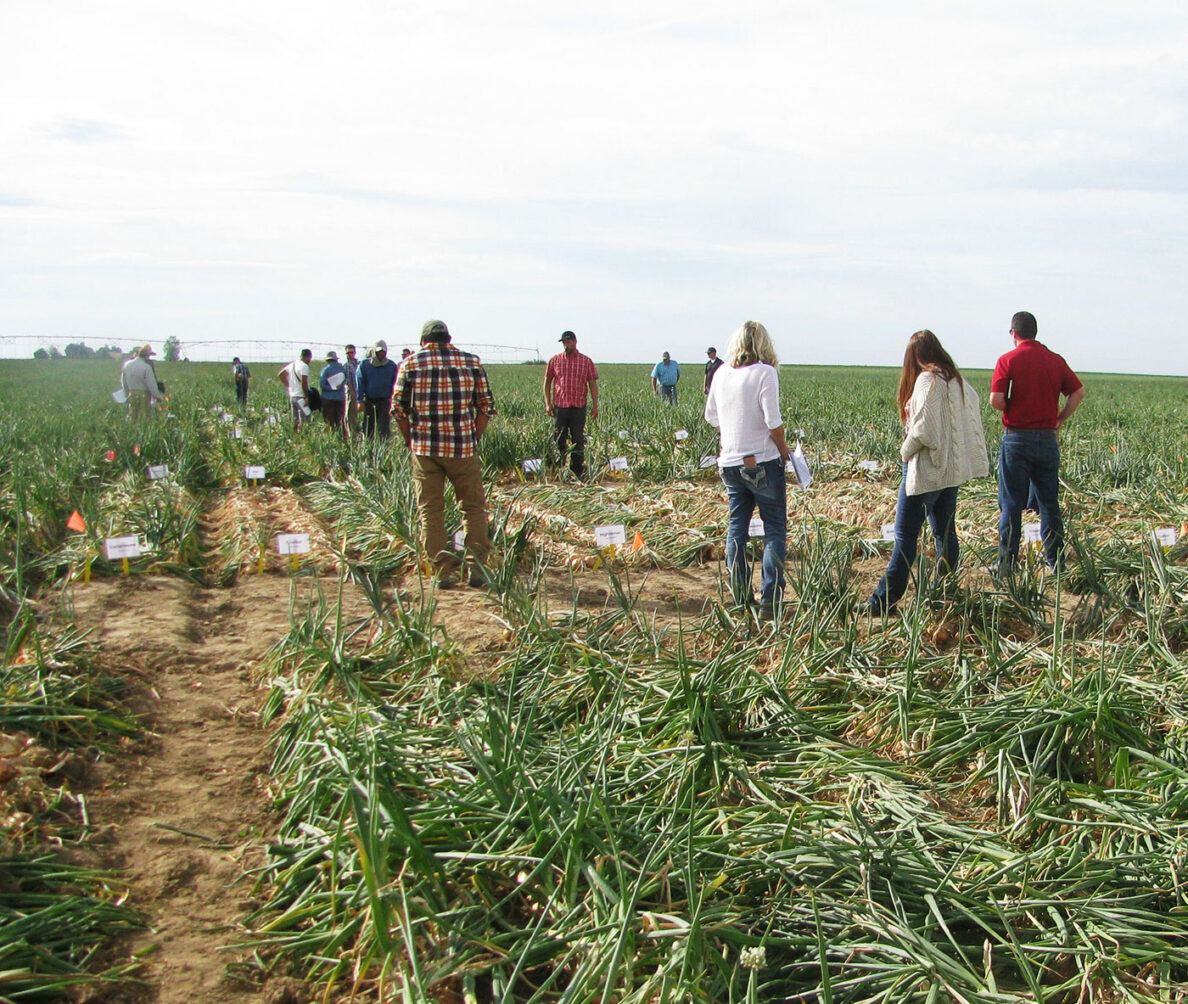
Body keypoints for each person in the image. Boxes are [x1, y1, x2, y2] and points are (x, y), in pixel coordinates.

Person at [862, 330, 989, 616]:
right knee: (944, 532)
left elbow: (924, 429)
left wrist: (905, 451)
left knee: (906, 534)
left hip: (928, 470)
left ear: (915, 357)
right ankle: (943, 593)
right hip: (951, 473)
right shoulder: (956, 381)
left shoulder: (927, 380)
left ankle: (882, 601)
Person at [394, 320, 497, 588]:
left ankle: (442, 573)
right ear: (448, 338)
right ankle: (477, 569)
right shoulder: (471, 362)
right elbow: (486, 407)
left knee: (430, 510)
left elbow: (399, 411)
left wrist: (410, 440)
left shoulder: (411, 364)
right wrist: (473, 436)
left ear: (423, 340)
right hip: (462, 448)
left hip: (425, 450)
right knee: (473, 507)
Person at [704, 321, 792, 620]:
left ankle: (741, 596)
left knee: (737, 529)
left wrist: (734, 432)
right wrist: (784, 451)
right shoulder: (765, 372)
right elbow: (773, 421)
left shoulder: (721, 373)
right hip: (762, 462)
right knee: (774, 530)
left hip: (729, 463)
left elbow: (711, 417)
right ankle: (770, 601)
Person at [990, 311, 1085, 574]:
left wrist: (1014, 405)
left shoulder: (1007, 360)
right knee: (1048, 503)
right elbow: (1078, 392)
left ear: (1014, 333)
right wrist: (1059, 420)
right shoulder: (1054, 360)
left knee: (1011, 504)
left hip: (1017, 439)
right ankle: (1056, 563)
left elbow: (995, 400)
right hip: (1046, 439)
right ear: (1035, 332)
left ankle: (1006, 565)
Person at [543, 330, 599, 478]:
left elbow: (592, 384)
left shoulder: (586, 361)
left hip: (578, 407)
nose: (566, 345)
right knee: (559, 438)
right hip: (560, 407)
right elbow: (547, 382)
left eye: (568, 342)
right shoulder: (555, 360)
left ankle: (577, 471)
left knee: (578, 439)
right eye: (564, 343)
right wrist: (548, 403)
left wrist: (595, 406)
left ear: (575, 341)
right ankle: (559, 468)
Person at [356, 340, 398, 439]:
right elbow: (360, 382)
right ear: (374, 351)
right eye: (379, 351)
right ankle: (368, 449)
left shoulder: (391, 366)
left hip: (385, 401)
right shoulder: (365, 365)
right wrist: (360, 401)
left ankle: (384, 450)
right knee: (367, 429)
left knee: (384, 429)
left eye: (383, 351)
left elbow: (395, 384)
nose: (381, 353)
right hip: (369, 401)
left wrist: (394, 400)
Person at [121, 345, 164, 421]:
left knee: (132, 415)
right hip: (144, 395)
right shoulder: (146, 367)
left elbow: (123, 381)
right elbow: (152, 384)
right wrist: (157, 396)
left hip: (131, 393)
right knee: (144, 417)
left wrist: (126, 393)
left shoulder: (127, 365)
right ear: (147, 356)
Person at [279, 349, 313, 427]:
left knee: (295, 420)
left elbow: (280, 374)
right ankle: (303, 437)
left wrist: (289, 385)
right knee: (305, 419)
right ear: (308, 357)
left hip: (292, 396)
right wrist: (306, 397)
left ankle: (294, 436)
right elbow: (304, 382)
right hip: (301, 397)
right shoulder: (304, 366)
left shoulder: (292, 365)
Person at [318, 350, 348, 436]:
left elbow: (322, 384)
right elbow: (344, 381)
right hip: (340, 398)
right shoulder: (342, 369)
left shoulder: (325, 370)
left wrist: (331, 388)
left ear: (328, 360)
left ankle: (331, 439)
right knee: (340, 420)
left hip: (328, 399)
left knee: (329, 421)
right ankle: (341, 438)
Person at [343, 344, 360, 436]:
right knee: (350, 415)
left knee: (356, 415)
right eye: (348, 353)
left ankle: (356, 432)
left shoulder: (358, 364)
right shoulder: (346, 366)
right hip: (351, 393)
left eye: (351, 352)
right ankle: (351, 435)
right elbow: (348, 381)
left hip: (359, 393)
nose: (350, 354)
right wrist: (353, 392)